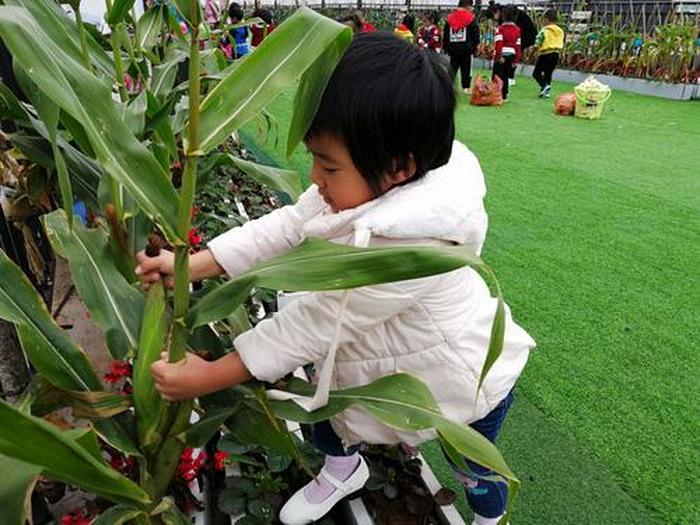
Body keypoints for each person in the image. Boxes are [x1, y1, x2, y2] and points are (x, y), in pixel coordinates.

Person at [137, 32, 534, 525]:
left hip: (461, 381)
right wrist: (193, 263)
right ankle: (344, 470)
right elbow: (287, 225)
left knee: (472, 465)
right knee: (323, 407)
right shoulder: (362, 184)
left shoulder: (416, 250)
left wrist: (211, 375)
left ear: (398, 168)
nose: (314, 177)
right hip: (369, 353)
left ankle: (489, 517)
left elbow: (317, 324)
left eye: (327, 164)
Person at [487, 2, 536, 86]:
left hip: (526, 34)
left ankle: (509, 77)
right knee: (513, 56)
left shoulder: (505, 15)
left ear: (496, 12)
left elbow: (502, 37)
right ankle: (508, 77)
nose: (494, 20)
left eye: (492, 18)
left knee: (512, 55)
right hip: (523, 34)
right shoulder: (507, 11)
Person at [443, 0, 480, 94]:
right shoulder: (470, 18)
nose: (471, 9)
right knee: (466, 69)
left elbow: (446, 34)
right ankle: (466, 87)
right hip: (466, 49)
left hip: (453, 48)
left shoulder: (450, 18)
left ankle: (447, 86)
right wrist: (476, 46)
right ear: (468, 6)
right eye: (471, 7)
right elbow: (475, 33)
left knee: (452, 68)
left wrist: (446, 47)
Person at [532, 9, 564, 98]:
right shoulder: (560, 31)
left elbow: (537, 43)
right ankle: (546, 92)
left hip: (545, 54)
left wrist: (533, 51)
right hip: (556, 54)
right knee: (548, 73)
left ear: (546, 19)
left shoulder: (544, 30)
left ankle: (545, 86)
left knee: (536, 73)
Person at [492, 6, 521, 102]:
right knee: (505, 76)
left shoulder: (500, 29)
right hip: (511, 55)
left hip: (501, 55)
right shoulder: (517, 30)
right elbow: (518, 46)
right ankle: (504, 96)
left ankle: (495, 95)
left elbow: (499, 43)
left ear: (503, 15)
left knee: (496, 75)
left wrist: (499, 56)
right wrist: (516, 60)